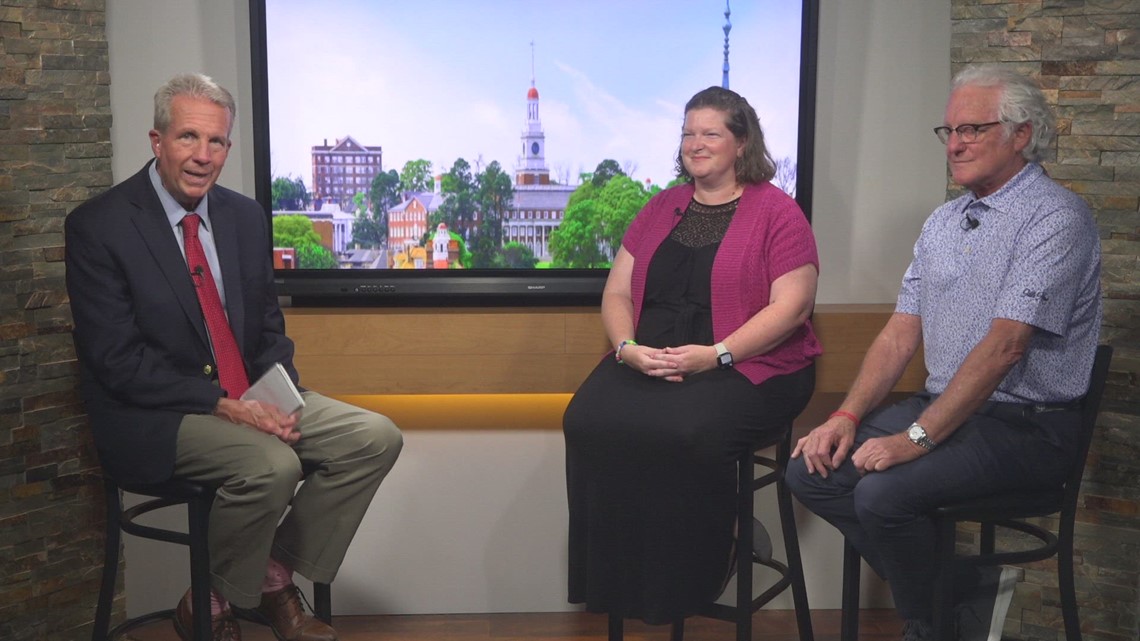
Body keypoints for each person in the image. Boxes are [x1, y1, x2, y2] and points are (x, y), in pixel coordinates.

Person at [65, 73, 403, 641]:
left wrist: (280, 398)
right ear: (157, 140)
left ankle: (242, 587)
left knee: (374, 437)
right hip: (156, 415)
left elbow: (268, 330)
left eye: (217, 141)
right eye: (188, 138)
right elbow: (115, 361)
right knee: (272, 466)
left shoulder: (245, 218)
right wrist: (223, 406)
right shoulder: (100, 226)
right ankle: (251, 597)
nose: (203, 156)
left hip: (246, 394)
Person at [786, 65, 1102, 641]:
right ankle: (957, 595)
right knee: (813, 473)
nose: (954, 145)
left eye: (973, 130)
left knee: (884, 493)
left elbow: (1006, 346)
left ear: (1021, 134)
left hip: (1028, 427)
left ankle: (931, 626)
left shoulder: (1056, 217)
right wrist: (846, 416)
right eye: (948, 131)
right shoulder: (943, 222)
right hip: (948, 407)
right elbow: (900, 334)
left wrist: (915, 439)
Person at [562, 86, 821, 627]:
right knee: (586, 419)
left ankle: (710, 561)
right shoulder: (661, 207)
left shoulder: (779, 211)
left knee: (684, 430)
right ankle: (621, 582)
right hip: (653, 354)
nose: (695, 144)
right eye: (687, 132)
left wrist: (717, 355)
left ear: (742, 141)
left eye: (710, 133)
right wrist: (626, 349)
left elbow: (793, 309)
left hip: (752, 362)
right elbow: (615, 293)